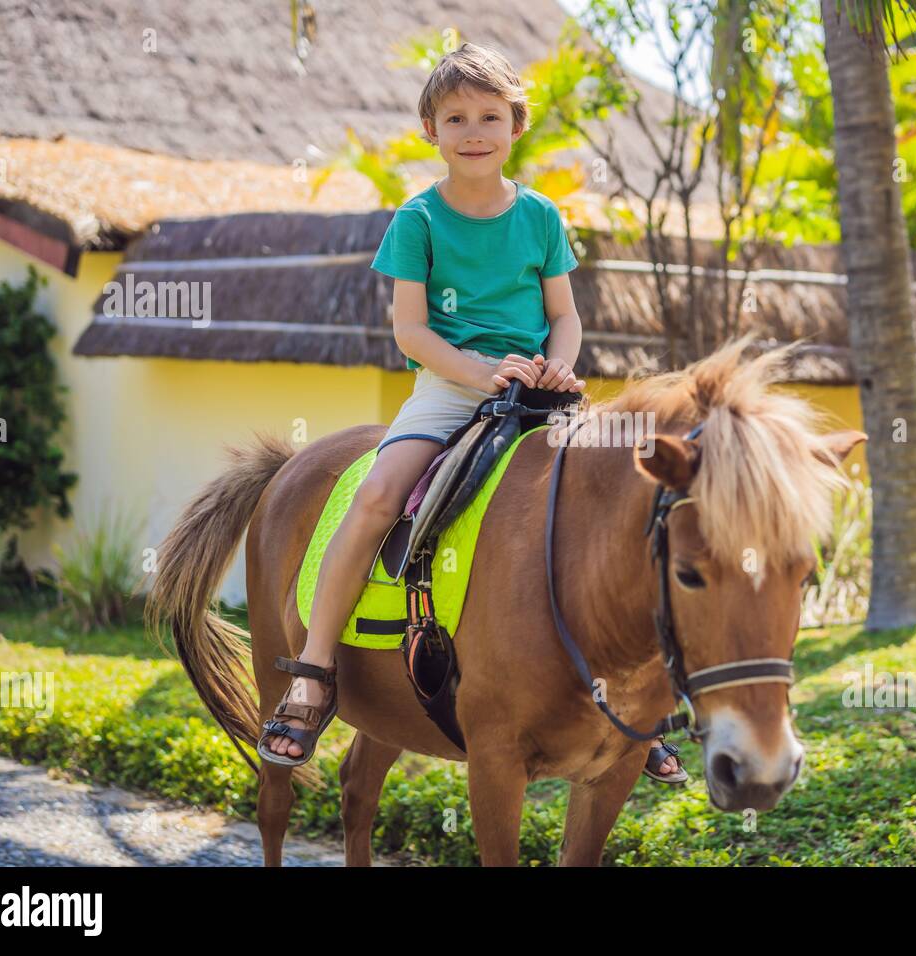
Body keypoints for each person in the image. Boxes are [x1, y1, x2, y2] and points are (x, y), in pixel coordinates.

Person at [257, 42, 687, 786]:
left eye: (490, 116)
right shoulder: (419, 220)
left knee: (622, 504)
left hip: (546, 395)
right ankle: (315, 669)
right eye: (456, 117)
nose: (474, 130)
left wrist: (558, 361)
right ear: (432, 129)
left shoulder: (542, 216)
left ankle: (643, 707)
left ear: (515, 126)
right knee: (376, 498)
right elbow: (411, 333)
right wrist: (485, 371)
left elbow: (566, 316)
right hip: (451, 390)